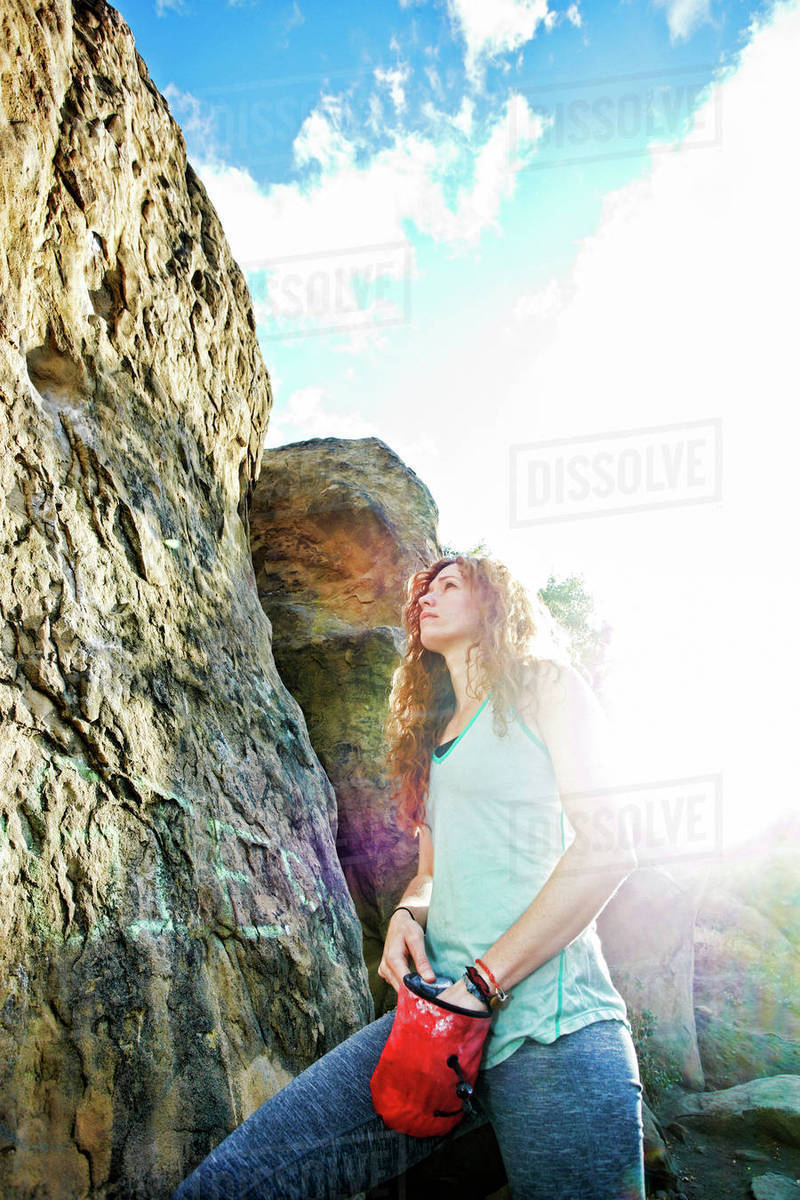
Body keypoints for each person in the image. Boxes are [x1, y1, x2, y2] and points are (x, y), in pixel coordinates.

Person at [172, 553, 645, 1200]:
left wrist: (483, 984)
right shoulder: (437, 739)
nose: (428, 595)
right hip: (428, 1027)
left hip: (552, 1035)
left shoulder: (544, 687)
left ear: (496, 606)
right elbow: (428, 873)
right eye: (426, 586)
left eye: (451, 585)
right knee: (232, 1183)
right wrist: (404, 915)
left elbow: (610, 845)